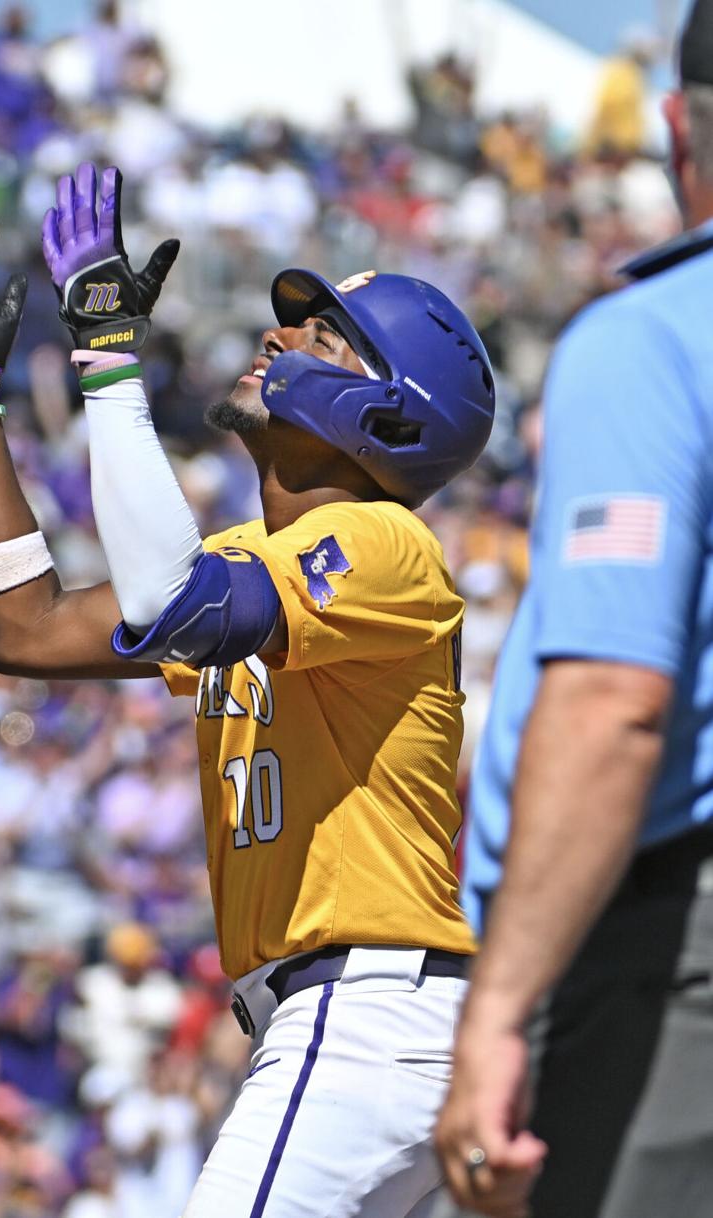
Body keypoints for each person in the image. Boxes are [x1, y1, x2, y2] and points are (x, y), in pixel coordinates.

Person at [0, 161, 495, 1217]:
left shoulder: (382, 544)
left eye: (323, 336)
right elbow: (25, 629)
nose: (279, 337)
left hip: (367, 1012)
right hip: (348, 1021)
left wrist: (107, 357)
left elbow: (168, 596)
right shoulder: (261, 558)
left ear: (389, 409)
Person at [435, 3, 713, 1216]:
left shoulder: (652, 337)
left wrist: (497, 1012)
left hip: (666, 958)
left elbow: (612, 702)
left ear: (673, 127)